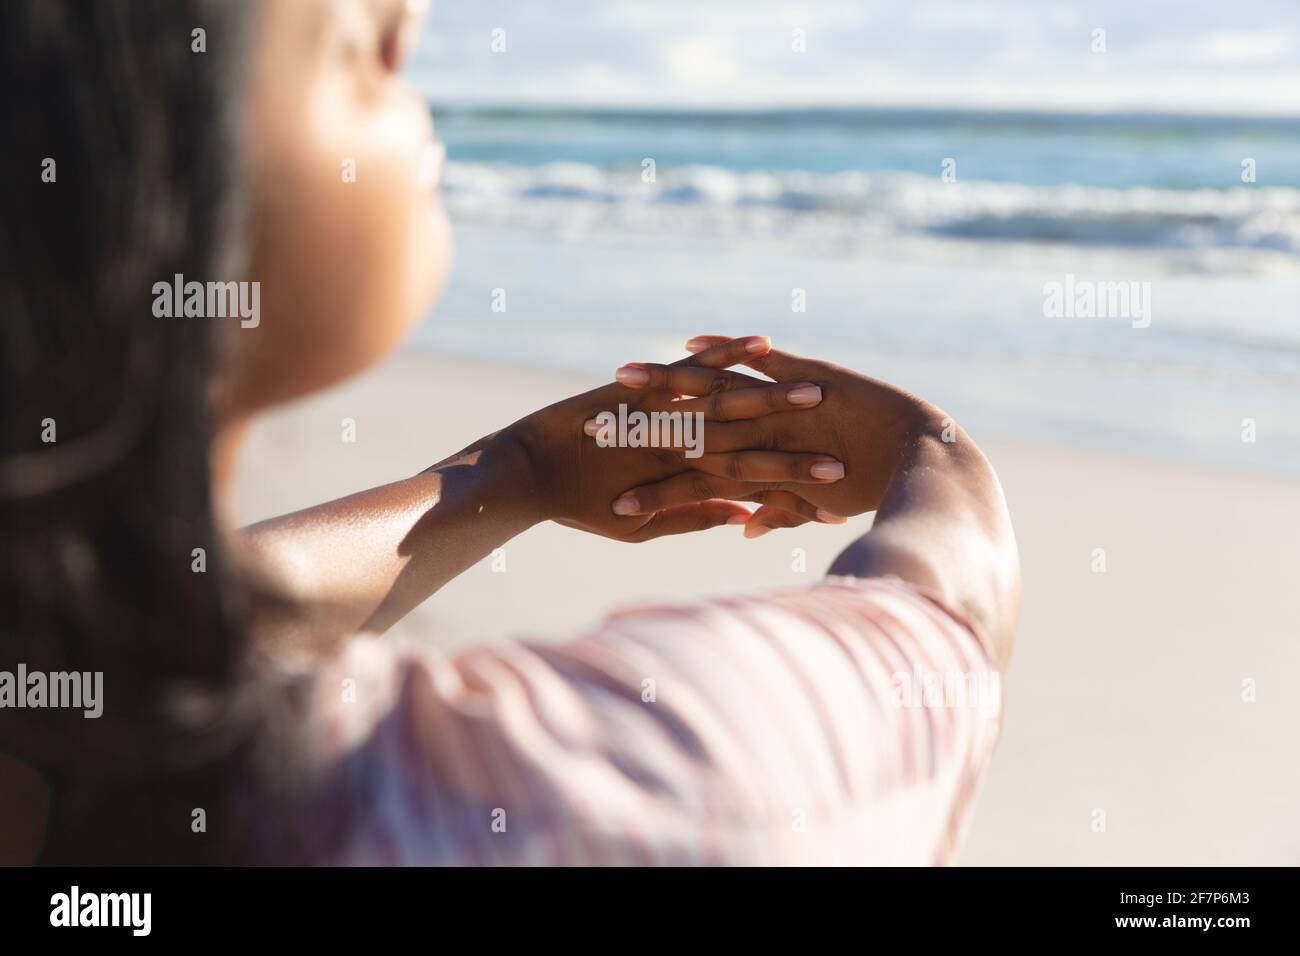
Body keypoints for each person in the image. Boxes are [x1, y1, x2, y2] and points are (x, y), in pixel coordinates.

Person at [0, 0, 1018, 865]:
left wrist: (515, 471)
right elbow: (940, 637)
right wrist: (928, 453)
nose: (409, 23)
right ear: (125, 145)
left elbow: (146, 628)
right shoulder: (526, 795)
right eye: (352, 34)